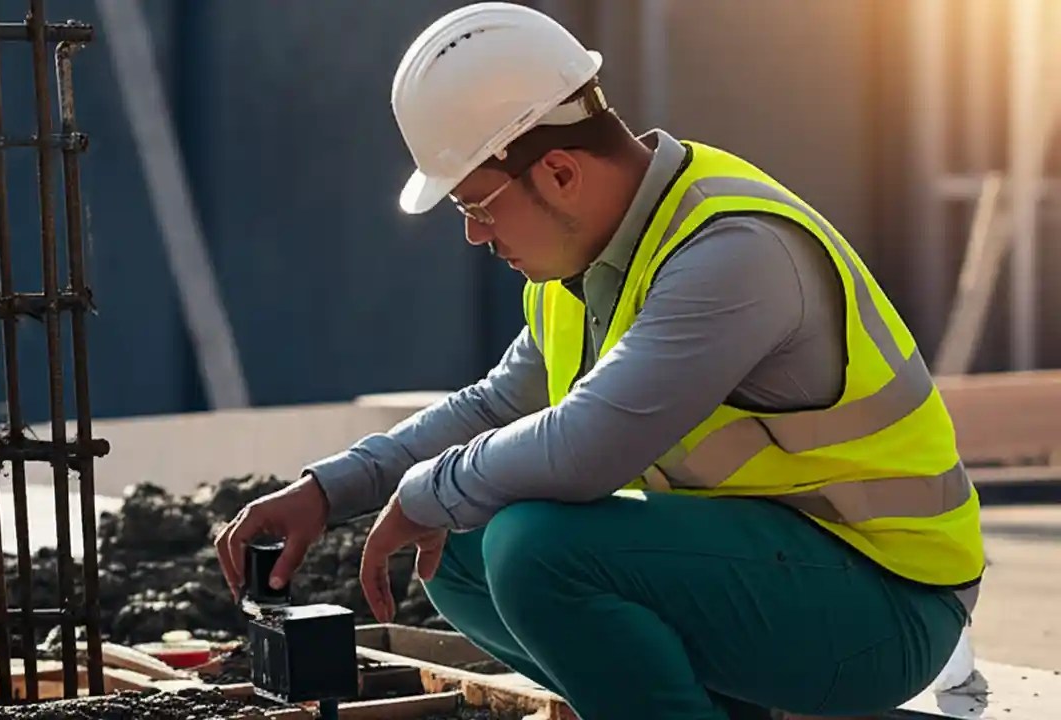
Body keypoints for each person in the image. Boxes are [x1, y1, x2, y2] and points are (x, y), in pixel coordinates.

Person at [213, 3, 985, 718]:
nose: (476, 236)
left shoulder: (732, 251)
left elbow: (587, 447)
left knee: (534, 549)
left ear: (557, 173)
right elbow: (492, 408)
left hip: (891, 604)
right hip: (781, 572)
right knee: (456, 552)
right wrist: (331, 487)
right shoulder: (587, 263)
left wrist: (426, 490)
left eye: (478, 206)